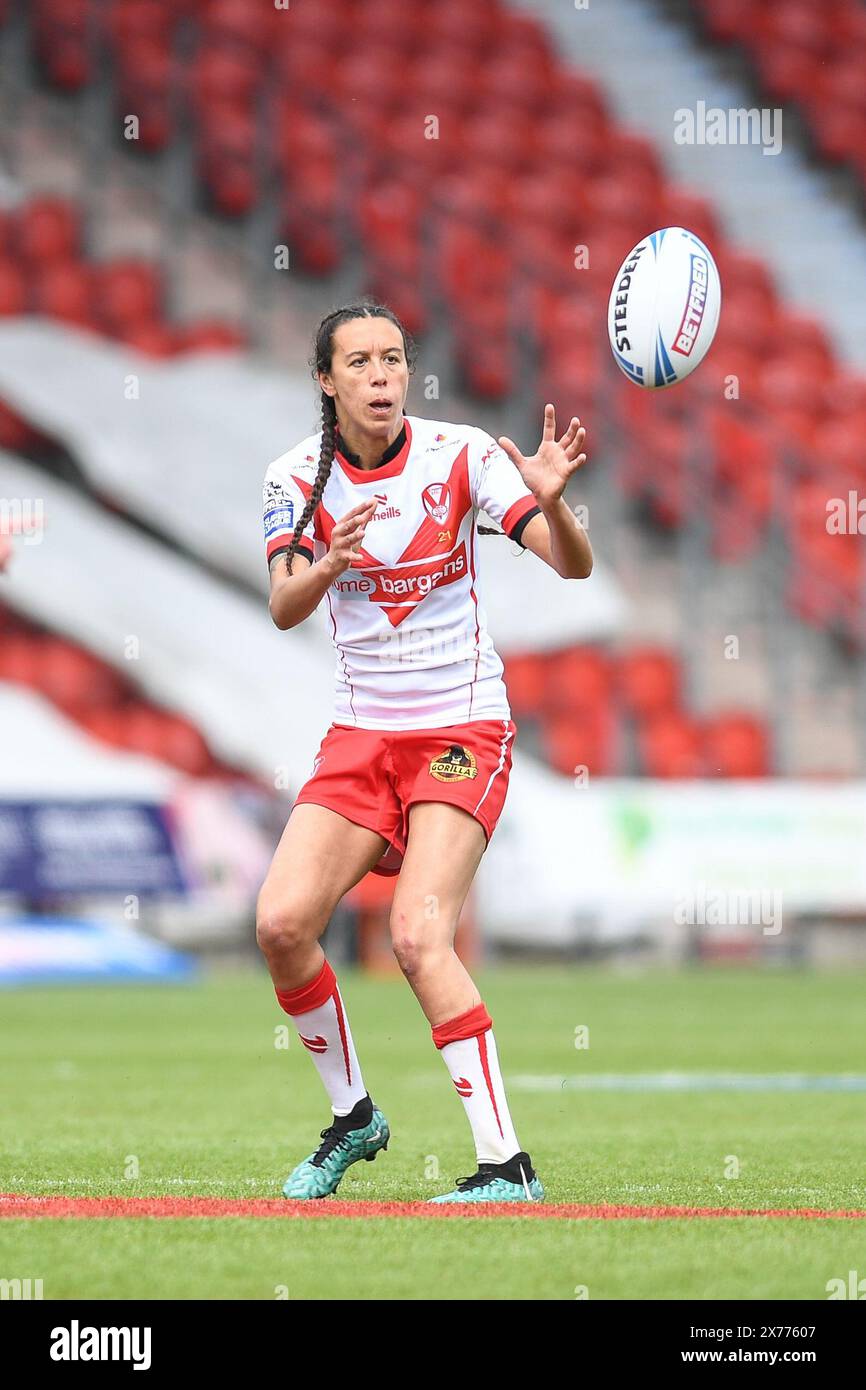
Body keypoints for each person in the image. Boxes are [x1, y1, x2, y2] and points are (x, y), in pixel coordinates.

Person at [258, 299, 592, 1203]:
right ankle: (354, 1118)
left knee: (415, 932)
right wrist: (328, 564)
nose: (382, 377)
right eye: (360, 362)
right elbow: (286, 606)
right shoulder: (295, 479)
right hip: (362, 731)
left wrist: (557, 511)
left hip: (459, 725)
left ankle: (505, 1168)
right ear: (326, 381)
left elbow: (573, 566)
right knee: (282, 925)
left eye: (395, 359)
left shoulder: (463, 456)